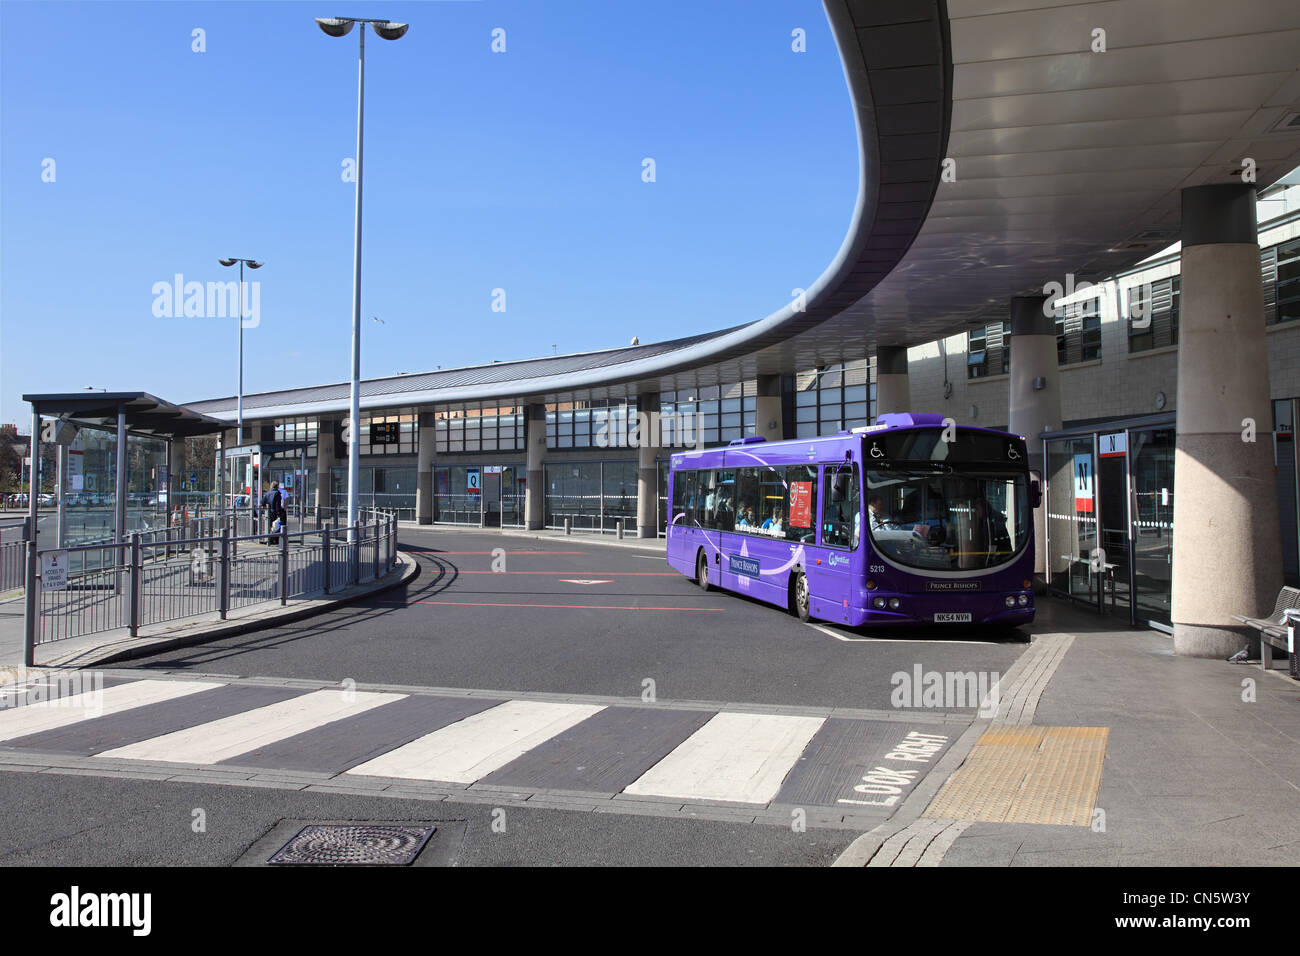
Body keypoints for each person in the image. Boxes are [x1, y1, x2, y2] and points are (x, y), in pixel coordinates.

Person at [262, 481, 287, 545]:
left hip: (269, 512)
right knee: (276, 526)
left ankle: (269, 539)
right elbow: (277, 504)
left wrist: (265, 508)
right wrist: (279, 514)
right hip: (275, 512)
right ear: (277, 487)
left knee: (271, 526)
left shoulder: (267, 493)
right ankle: (275, 540)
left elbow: (262, 502)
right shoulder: (277, 494)